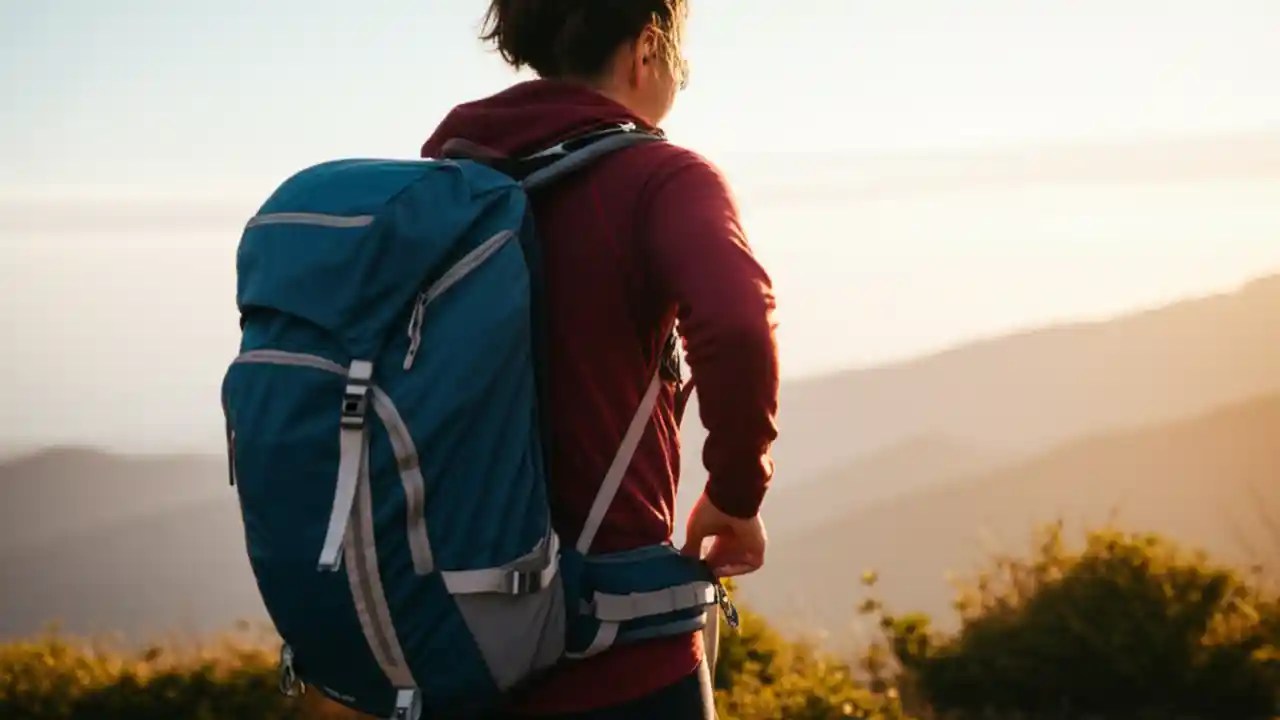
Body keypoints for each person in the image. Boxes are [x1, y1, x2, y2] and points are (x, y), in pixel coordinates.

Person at [421, 1, 780, 717]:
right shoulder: (659, 177)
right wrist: (737, 494)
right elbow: (739, 326)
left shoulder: (446, 182)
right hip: (618, 655)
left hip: (456, 638)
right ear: (648, 48)